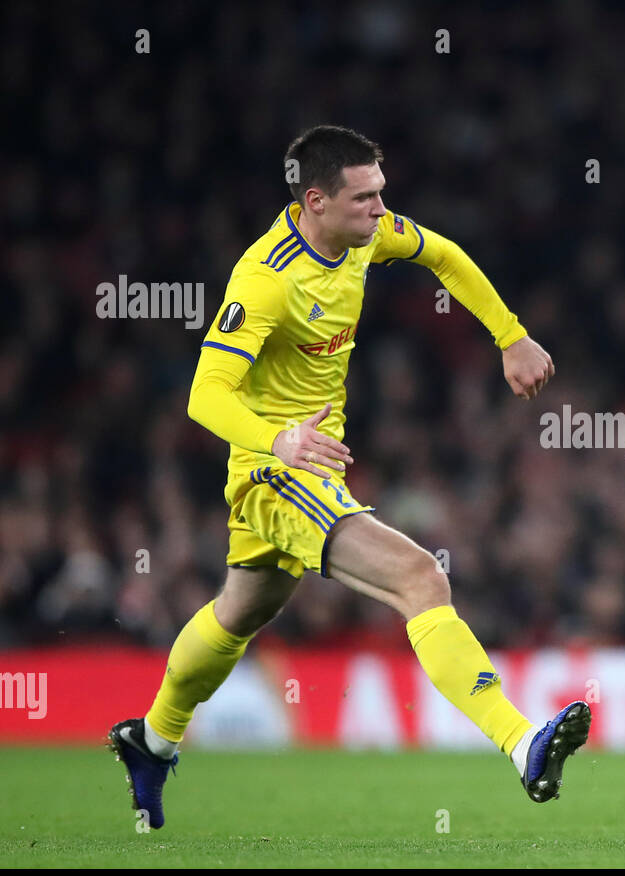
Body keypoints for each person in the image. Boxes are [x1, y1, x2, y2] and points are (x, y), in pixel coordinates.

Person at [109, 125, 590, 828]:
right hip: (278, 471)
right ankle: (522, 744)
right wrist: (280, 440)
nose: (380, 208)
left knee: (240, 612)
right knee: (422, 577)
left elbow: (446, 256)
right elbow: (205, 395)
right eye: (364, 197)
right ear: (316, 200)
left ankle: (151, 739)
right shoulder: (266, 279)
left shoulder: (365, 235)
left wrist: (510, 335)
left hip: (306, 467)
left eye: (381, 194)